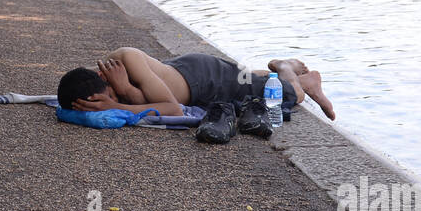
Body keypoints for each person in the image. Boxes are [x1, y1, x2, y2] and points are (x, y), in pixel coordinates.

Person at [57, 48, 335, 121]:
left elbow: (173, 109)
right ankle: (269, 71)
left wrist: (119, 101)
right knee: (248, 80)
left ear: (104, 78)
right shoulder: (102, 83)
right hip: (190, 76)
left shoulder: (126, 59)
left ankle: (295, 74)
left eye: (109, 95)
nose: (112, 100)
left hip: (206, 79)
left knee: (289, 95)